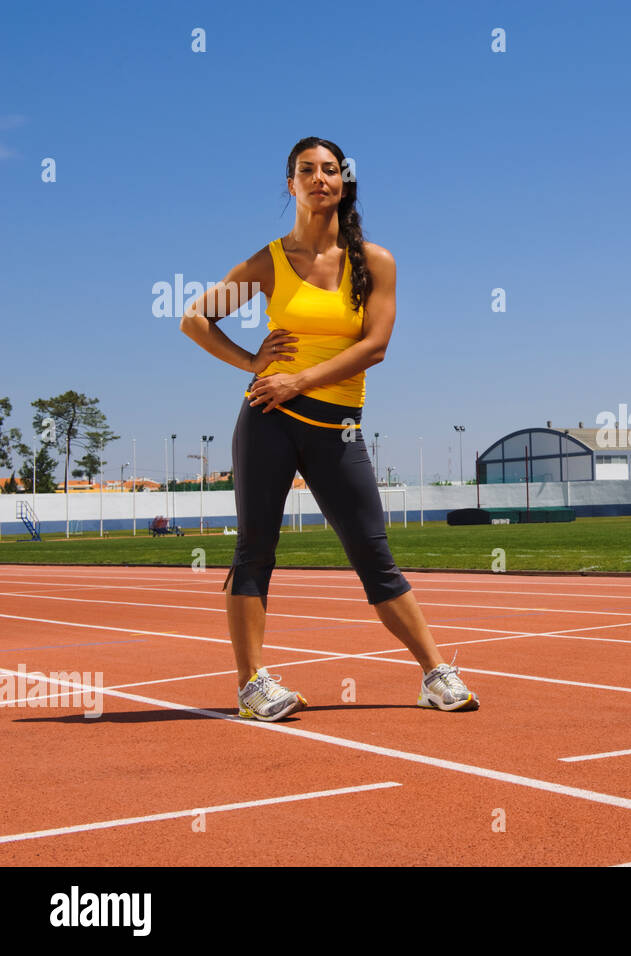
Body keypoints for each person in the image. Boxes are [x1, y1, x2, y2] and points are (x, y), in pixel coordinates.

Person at [179, 136, 477, 721]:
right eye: (308, 171)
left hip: (338, 428)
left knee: (373, 552)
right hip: (268, 419)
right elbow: (195, 318)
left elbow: (375, 346)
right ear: (290, 184)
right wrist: (252, 363)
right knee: (254, 552)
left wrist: (300, 378)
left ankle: (434, 672)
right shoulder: (269, 262)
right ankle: (251, 685)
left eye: (331, 170)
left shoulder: (375, 262)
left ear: (344, 182)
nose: (321, 179)